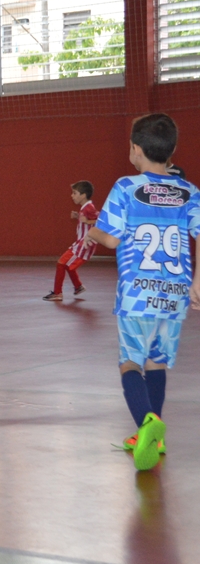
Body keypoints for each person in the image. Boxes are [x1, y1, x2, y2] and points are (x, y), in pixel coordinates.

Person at [88, 113, 200, 471]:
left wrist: (92, 232)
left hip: (137, 291)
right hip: (176, 291)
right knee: (157, 361)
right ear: (172, 151)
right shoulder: (190, 191)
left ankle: (146, 424)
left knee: (130, 363)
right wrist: (197, 280)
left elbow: (111, 238)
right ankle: (157, 435)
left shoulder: (125, 187)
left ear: (135, 149)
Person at [43, 181, 98, 301]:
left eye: (74, 193)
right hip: (81, 243)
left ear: (83, 195)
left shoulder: (89, 207)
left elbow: (102, 219)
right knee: (67, 265)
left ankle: (58, 293)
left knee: (62, 263)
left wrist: (87, 221)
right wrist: (78, 217)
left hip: (85, 244)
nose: (72, 196)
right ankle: (78, 287)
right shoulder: (85, 207)